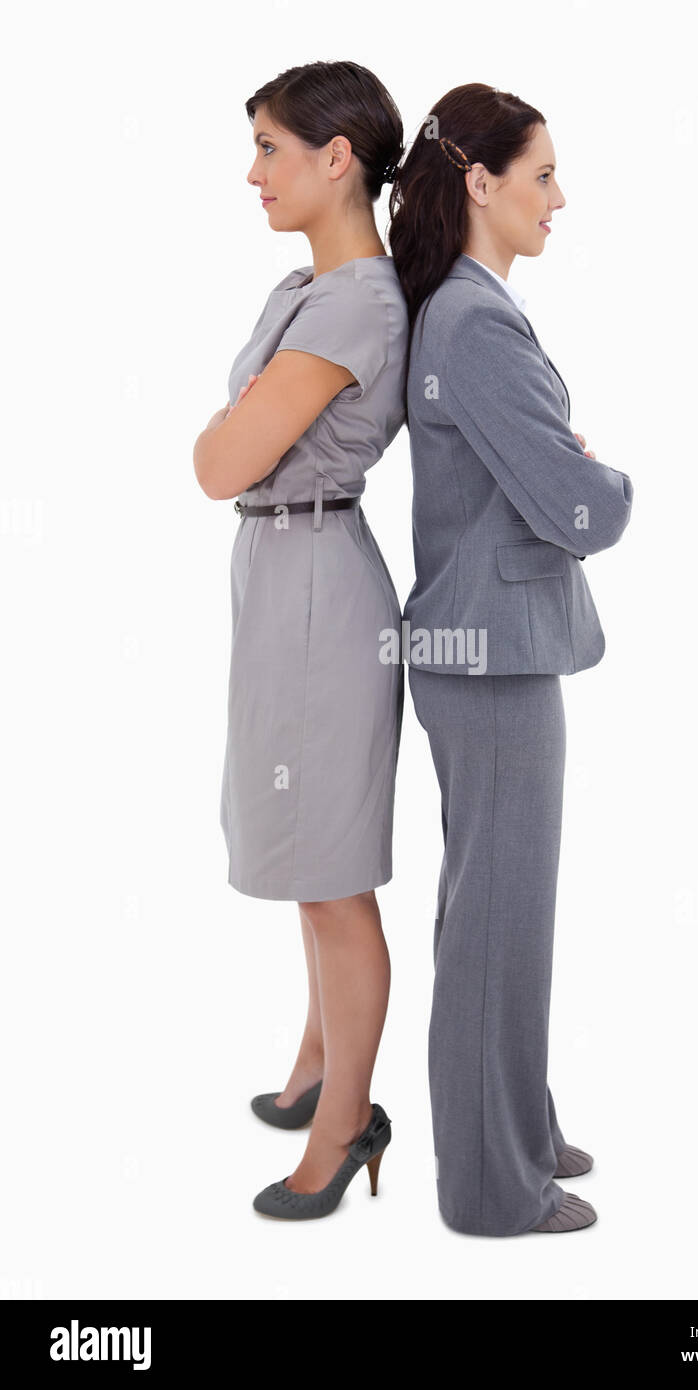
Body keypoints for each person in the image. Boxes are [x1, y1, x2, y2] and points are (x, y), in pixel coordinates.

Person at [388, 84, 634, 1236]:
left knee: (497, 911)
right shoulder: (473, 322)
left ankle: (517, 1128)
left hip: (482, 645)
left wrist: (558, 469)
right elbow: (582, 508)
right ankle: (491, 1186)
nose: (558, 197)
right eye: (540, 175)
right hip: (488, 654)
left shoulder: (459, 307)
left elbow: (533, 478)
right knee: (495, 918)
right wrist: (597, 478)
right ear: (479, 182)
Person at [193, 61, 407, 1220]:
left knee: (330, 871)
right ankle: (317, 1059)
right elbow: (234, 451)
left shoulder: (355, 302)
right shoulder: (305, 287)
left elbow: (220, 460)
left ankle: (345, 1125)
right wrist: (234, 431)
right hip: (284, 567)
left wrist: (227, 431)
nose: (253, 170)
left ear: (337, 159)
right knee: (298, 842)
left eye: (271, 147)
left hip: (320, 580)